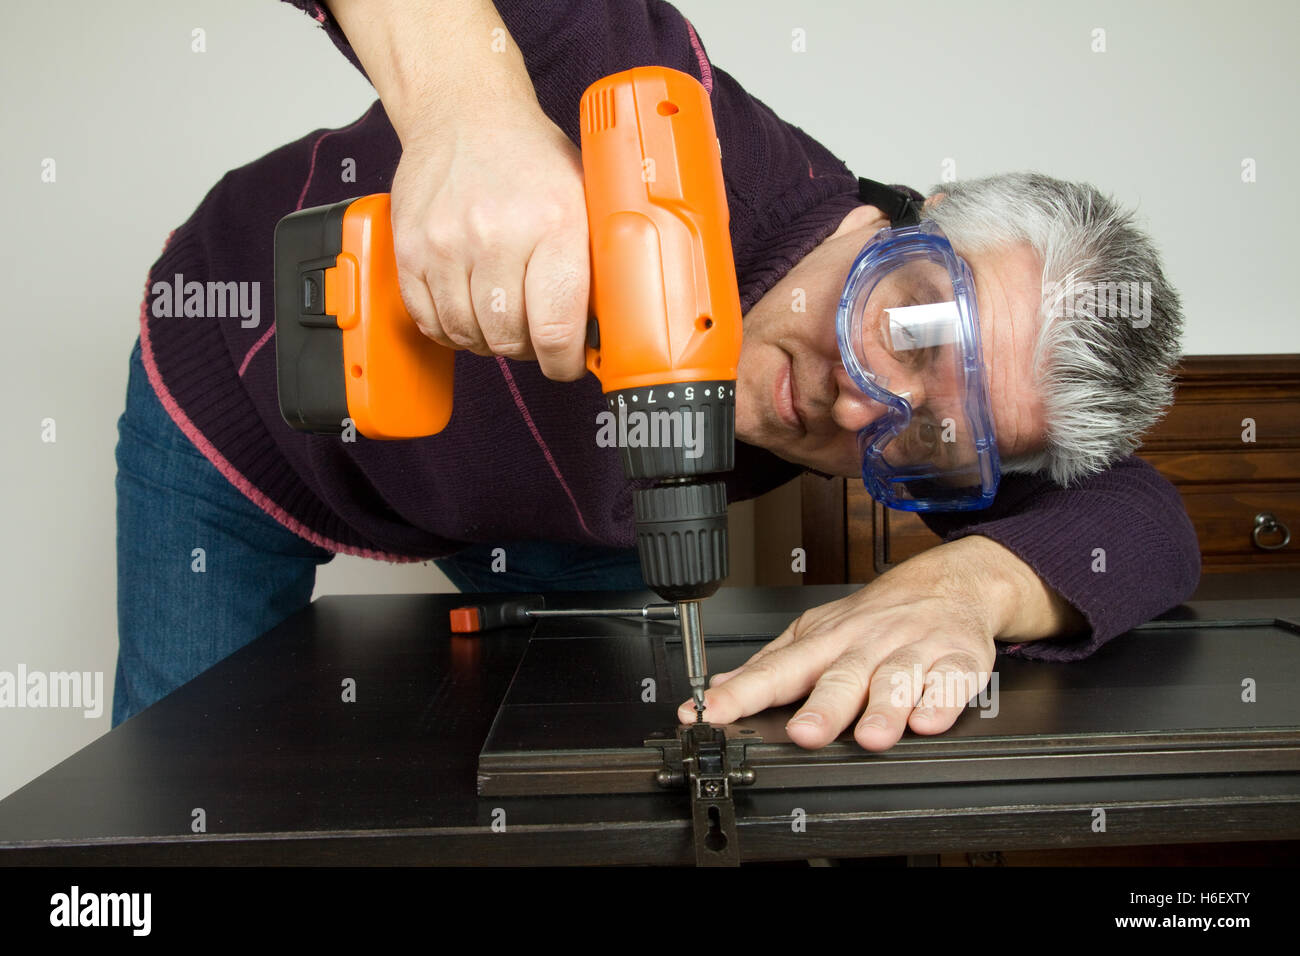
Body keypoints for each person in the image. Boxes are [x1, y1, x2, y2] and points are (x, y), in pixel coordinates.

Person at [114, 0, 1200, 753]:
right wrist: (468, 108)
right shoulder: (651, 105)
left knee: (600, 786)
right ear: (910, 215)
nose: (860, 401)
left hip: (553, 520)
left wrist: (961, 587)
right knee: (182, 790)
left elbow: (1148, 523)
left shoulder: (920, 431)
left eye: (930, 433)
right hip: (236, 401)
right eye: (913, 326)